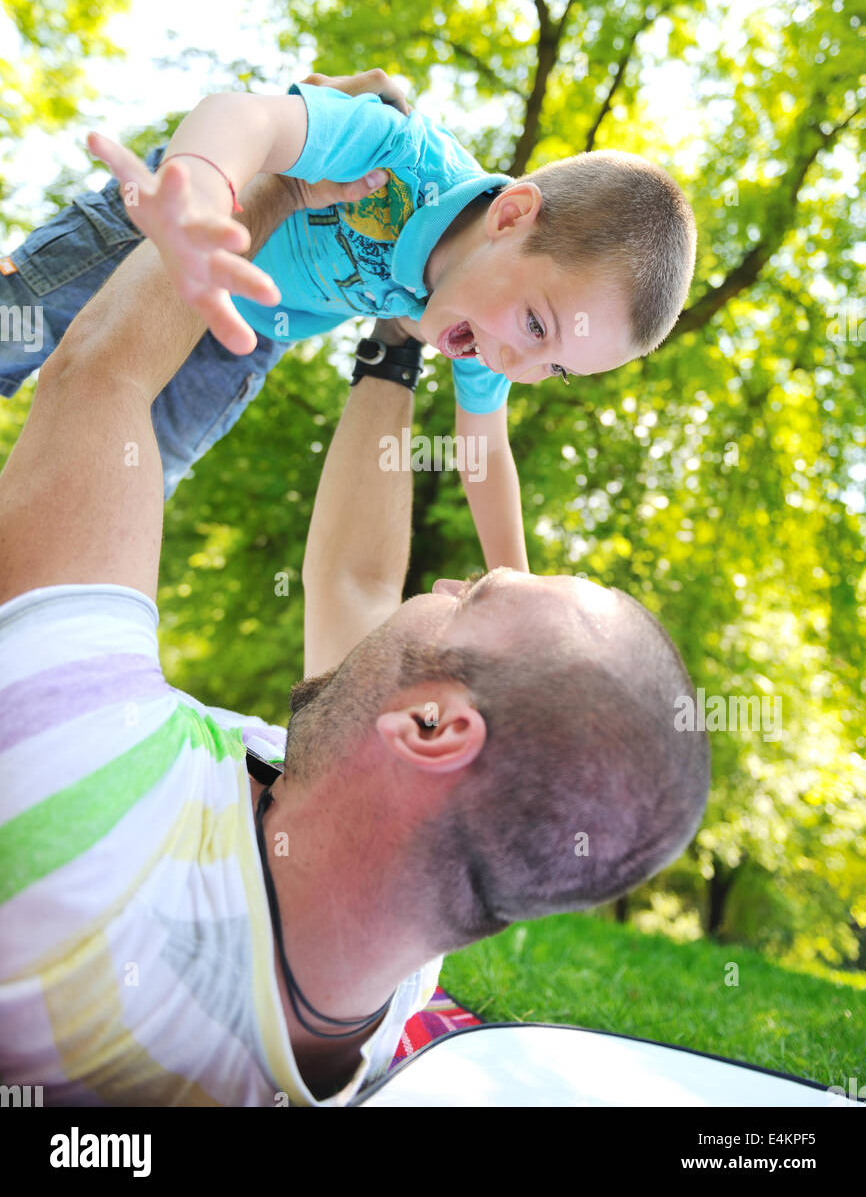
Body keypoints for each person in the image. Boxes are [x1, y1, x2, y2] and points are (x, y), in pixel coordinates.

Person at [0, 161, 709, 1106]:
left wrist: (269, 192)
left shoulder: (84, 793)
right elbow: (354, 582)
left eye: (471, 601)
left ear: (432, 727)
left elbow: (104, 377)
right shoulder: (390, 966)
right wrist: (396, 340)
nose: (444, 582)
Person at [0, 68, 697, 572]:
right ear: (510, 218)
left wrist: (513, 580)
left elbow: (484, 453)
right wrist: (201, 200)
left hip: (244, 336)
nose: (518, 366)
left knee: (128, 478)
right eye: (538, 329)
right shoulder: (401, 156)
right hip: (180, 223)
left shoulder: (487, 330)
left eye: (558, 369)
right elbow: (245, 118)